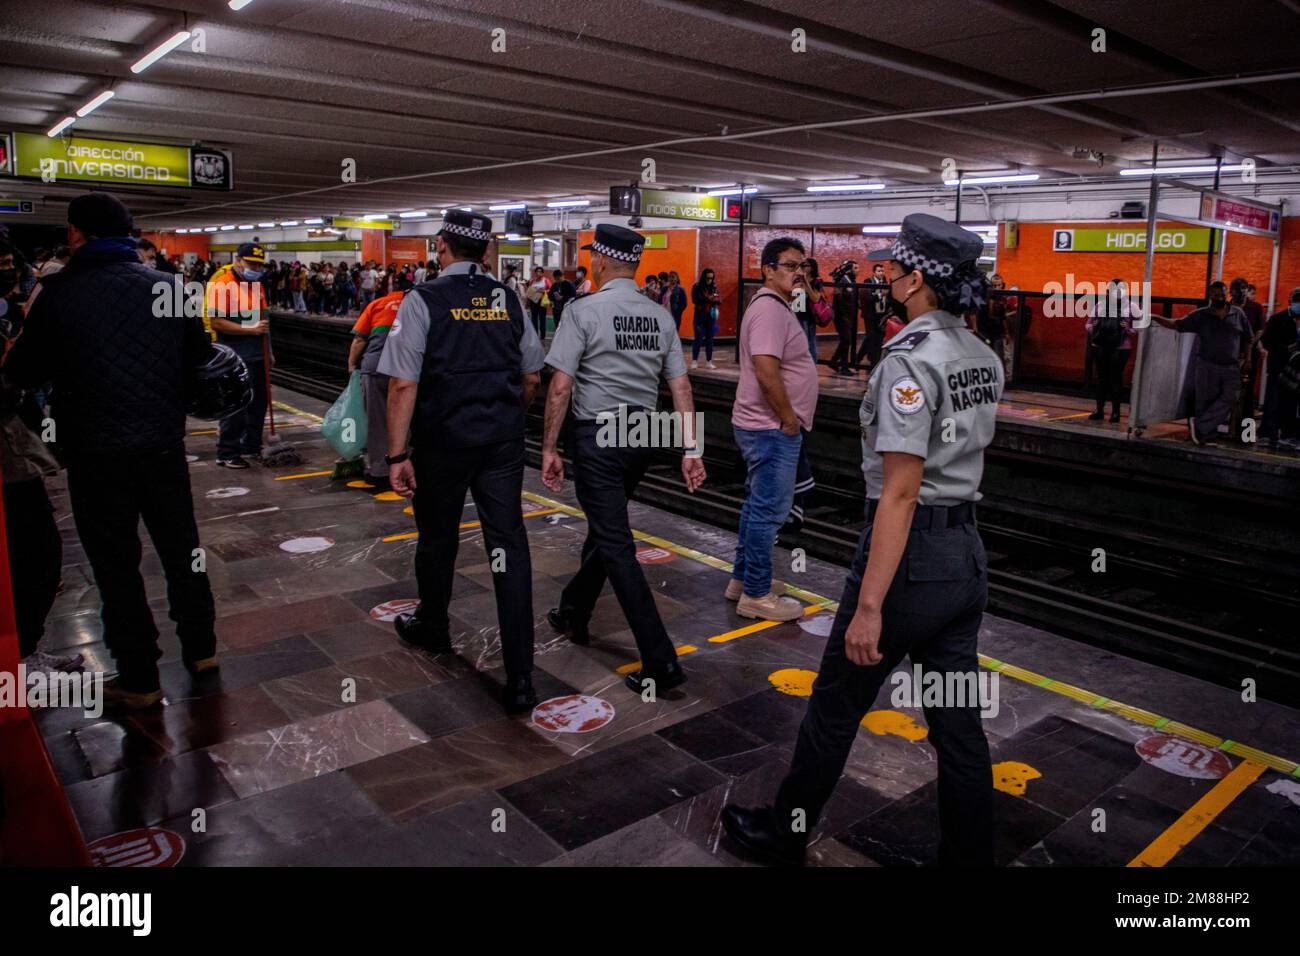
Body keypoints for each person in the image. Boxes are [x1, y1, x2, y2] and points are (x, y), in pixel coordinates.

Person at [722, 213, 1003, 867]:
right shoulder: (981, 356)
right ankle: (969, 857)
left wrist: (872, 604)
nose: (886, 276)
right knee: (956, 724)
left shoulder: (911, 362)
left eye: (894, 268)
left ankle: (785, 835)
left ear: (916, 281)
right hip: (965, 556)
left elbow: (901, 492)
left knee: (835, 707)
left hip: (907, 562)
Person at [3, 192, 220, 709]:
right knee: (182, 550)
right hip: (163, 448)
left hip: (95, 454)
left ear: (77, 234)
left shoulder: (59, 294)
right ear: (129, 231)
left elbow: (24, 375)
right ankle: (202, 650)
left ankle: (140, 677)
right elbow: (200, 363)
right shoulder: (174, 288)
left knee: (117, 563)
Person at [379, 210, 545, 715]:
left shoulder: (422, 300)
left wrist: (396, 454)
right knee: (508, 547)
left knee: (438, 537)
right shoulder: (509, 300)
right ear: (486, 252)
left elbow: (403, 383)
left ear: (442, 247)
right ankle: (520, 676)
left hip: (442, 444)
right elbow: (533, 375)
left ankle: (434, 626)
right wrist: (504, 414)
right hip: (501, 445)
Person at [541, 224, 705, 694]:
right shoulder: (660, 316)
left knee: (616, 544)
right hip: (644, 434)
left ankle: (660, 661)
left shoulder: (582, 310)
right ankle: (573, 610)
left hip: (599, 434)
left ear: (602, 261)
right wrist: (690, 448)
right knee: (605, 530)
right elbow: (681, 388)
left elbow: (560, 385)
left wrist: (550, 447)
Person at [729, 237, 818, 622]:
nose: (798, 272)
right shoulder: (769, 310)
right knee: (768, 513)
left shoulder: (776, 306)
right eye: (789, 265)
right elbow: (767, 368)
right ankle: (757, 595)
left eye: (802, 265)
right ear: (767, 269)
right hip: (769, 427)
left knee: (755, 507)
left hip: (762, 424)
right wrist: (788, 418)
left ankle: (742, 580)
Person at [1150, 280, 1252, 445]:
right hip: (1207, 365)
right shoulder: (1201, 315)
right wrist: (1155, 317)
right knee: (1205, 400)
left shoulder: (1238, 314)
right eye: (1215, 294)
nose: (1219, 297)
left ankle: (1199, 425)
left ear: (1226, 294)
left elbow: (1248, 337)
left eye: (1221, 294)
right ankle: (1206, 436)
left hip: (1231, 366)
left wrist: (1247, 359)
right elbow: (1177, 324)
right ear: (1210, 295)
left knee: (1232, 397)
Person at [205, 242, 272, 468]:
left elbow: (263, 320)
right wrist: (249, 330)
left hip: (256, 353)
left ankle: (251, 446)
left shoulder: (256, 285)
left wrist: (268, 352)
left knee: (259, 402)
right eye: (251, 263)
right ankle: (227, 452)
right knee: (236, 404)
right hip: (235, 354)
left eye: (259, 264)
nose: (255, 267)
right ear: (238, 261)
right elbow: (217, 322)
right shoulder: (223, 284)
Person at [348, 288, 404, 490]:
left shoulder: (376, 304)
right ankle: (404, 466)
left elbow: (359, 339)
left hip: (375, 369)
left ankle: (379, 471)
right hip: (404, 370)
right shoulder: (417, 304)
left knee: (377, 421)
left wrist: (351, 365)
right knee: (406, 420)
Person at [1084, 278, 1139, 423]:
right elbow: (1088, 324)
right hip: (1100, 346)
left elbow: (1141, 327)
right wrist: (1094, 328)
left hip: (1120, 348)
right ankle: (1099, 410)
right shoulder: (1100, 305)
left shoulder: (1131, 306)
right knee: (1101, 378)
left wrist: (1128, 329)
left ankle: (1116, 413)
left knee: (1116, 379)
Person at [1260, 286, 1300, 449]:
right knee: (1273, 401)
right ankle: (1267, 435)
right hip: (1279, 367)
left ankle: (1287, 435)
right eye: (1297, 300)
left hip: (1296, 371)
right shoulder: (1278, 319)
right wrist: (1287, 349)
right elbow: (1267, 341)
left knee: (1291, 404)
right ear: (1290, 302)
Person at [1230, 277, 1266, 418]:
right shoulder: (1226, 308)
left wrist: (1250, 345)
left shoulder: (1255, 308)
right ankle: (1226, 428)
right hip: (1230, 354)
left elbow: (1260, 329)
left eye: (1243, 291)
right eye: (1237, 291)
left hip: (1249, 356)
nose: (1241, 294)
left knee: (1247, 394)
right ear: (1231, 292)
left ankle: (1247, 433)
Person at [853, 262, 890, 369]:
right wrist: (880, 294)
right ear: (874, 272)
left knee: (878, 338)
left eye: (882, 271)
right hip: (870, 314)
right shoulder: (868, 282)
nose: (881, 273)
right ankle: (860, 358)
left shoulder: (885, 282)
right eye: (879, 271)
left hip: (881, 314)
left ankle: (873, 360)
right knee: (871, 337)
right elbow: (867, 298)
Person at [827, 259, 859, 375]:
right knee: (846, 340)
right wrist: (840, 314)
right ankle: (841, 365)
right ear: (850, 269)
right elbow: (838, 299)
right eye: (855, 268)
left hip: (848, 315)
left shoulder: (851, 280)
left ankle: (835, 362)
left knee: (846, 340)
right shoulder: (843, 280)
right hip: (842, 315)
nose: (858, 270)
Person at [795, 258, 827, 361]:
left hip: (809, 315)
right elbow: (795, 297)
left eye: (806, 265)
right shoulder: (797, 279)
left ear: (812, 268)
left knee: (809, 341)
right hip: (797, 313)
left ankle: (812, 363)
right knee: (798, 341)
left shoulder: (817, 281)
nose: (803, 268)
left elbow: (815, 298)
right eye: (802, 265)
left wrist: (806, 282)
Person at [690, 267, 722, 369]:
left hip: (711, 316)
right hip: (700, 316)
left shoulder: (714, 287)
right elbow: (695, 299)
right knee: (698, 339)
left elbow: (719, 299)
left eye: (711, 278)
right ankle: (694, 361)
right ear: (704, 277)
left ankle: (709, 361)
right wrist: (708, 299)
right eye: (708, 278)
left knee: (710, 340)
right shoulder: (697, 286)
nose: (710, 280)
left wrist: (715, 300)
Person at [525, 265, 550, 339]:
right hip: (533, 302)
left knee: (542, 318)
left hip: (542, 301)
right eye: (537, 272)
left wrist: (543, 291)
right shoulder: (532, 281)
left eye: (540, 272)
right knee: (534, 318)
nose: (538, 273)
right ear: (535, 273)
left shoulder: (546, 280)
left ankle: (542, 335)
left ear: (542, 273)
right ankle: (535, 335)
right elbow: (528, 292)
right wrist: (527, 302)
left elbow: (550, 290)